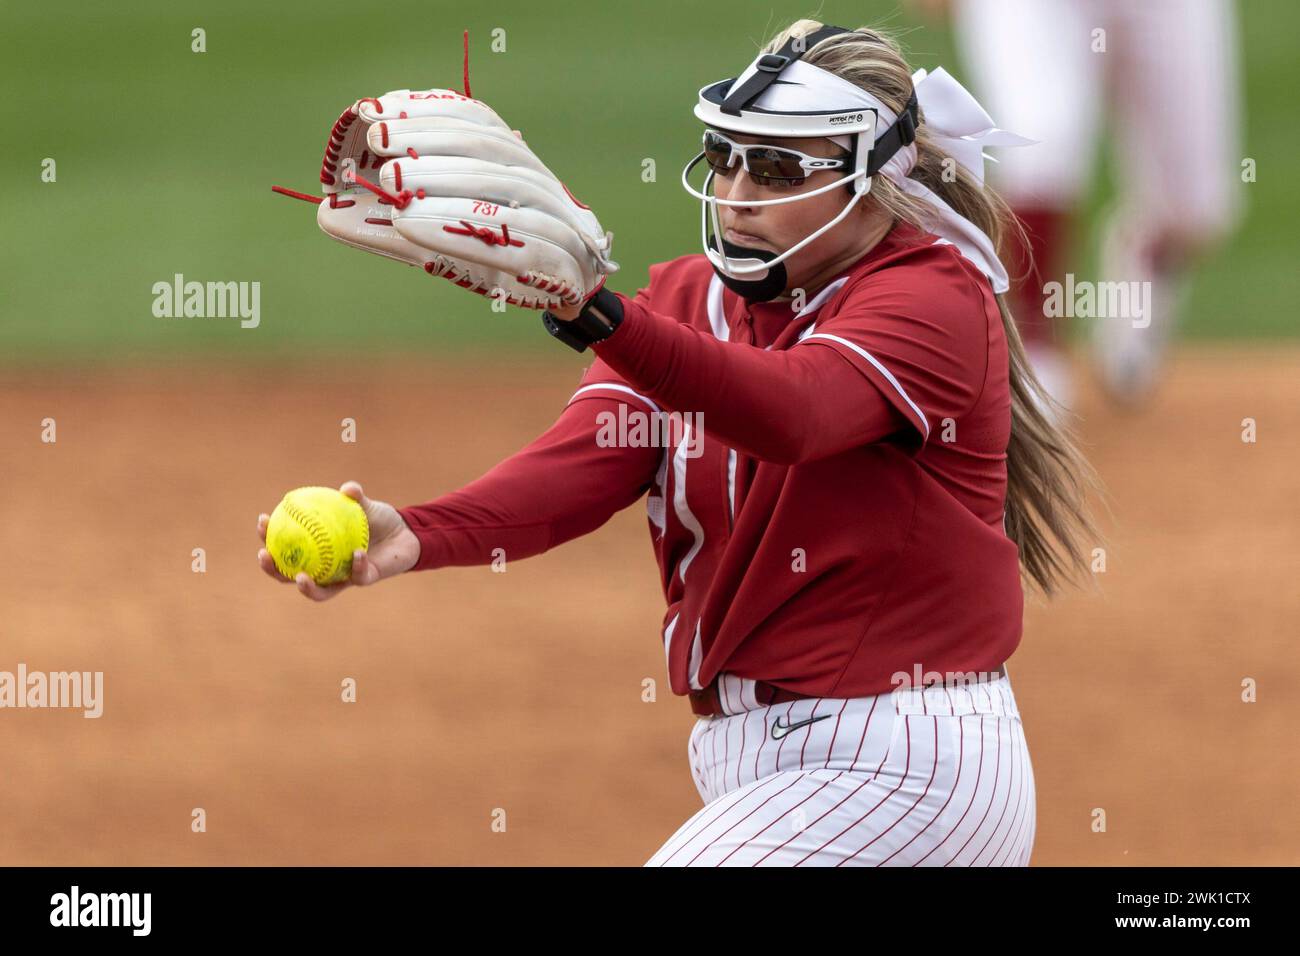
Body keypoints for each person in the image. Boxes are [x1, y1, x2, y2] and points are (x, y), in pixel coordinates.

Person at [258, 20, 1101, 866]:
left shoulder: (931, 299)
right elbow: (583, 466)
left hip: (900, 772)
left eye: (777, 167)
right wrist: (421, 530)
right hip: (767, 777)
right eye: (728, 154)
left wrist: (603, 318)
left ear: (873, 182)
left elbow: (795, 413)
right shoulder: (691, 301)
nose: (737, 190)